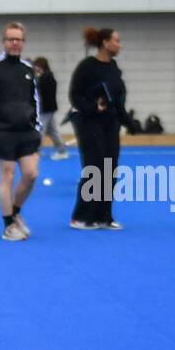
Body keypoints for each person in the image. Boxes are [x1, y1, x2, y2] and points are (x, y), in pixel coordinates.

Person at [0, 21, 41, 241]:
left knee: (31, 174)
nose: (15, 43)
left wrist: (37, 125)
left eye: (19, 39)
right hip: (3, 132)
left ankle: (15, 212)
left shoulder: (28, 69)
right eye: (11, 39)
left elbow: (35, 100)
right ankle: (8, 226)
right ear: (4, 42)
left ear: (23, 43)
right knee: (7, 176)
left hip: (27, 132)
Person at [68, 27, 130, 230]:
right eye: (117, 41)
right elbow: (74, 95)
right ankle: (81, 216)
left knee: (110, 167)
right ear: (105, 43)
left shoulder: (113, 67)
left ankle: (104, 216)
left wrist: (128, 121)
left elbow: (119, 98)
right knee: (94, 166)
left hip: (110, 122)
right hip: (88, 120)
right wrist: (93, 108)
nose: (119, 45)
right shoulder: (87, 66)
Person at [32, 57, 69, 160]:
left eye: (36, 66)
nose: (35, 68)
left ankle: (36, 152)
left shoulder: (45, 77)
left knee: (40, 130)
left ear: (41, 66)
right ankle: (62, 151)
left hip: (46, 109)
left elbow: (42, 93)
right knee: (52, 131)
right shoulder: (47, 76)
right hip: (48, 108)